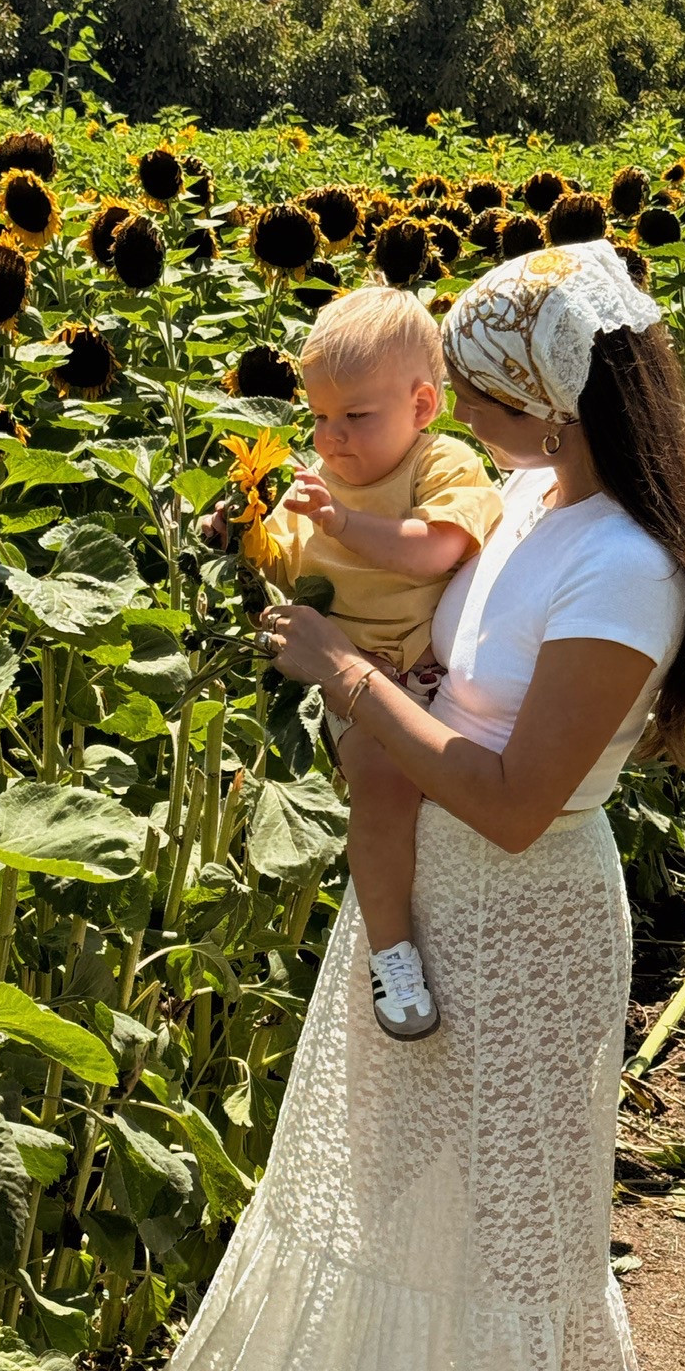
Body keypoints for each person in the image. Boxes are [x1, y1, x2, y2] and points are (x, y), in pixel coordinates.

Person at [127, 240, 685, 1371]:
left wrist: (345, 679)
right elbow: (436, 638)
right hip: (427, 904)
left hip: (527, 925)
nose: (457, 413)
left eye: (478, 390)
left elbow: (522, 800)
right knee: (404, 1209)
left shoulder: (626, 567)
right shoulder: (530, 499)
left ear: (552, 395)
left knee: (527, 1252)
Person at [214, 288, 500, 1039]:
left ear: (423, 404)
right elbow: (283, 561)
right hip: (360, 677)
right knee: (382, 791)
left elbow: (436, 549)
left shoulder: (444, 463)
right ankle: (392, 953)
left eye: (356, 416)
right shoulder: (318, 481)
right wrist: (240, 532)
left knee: (481, 806)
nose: (331, 437)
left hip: (446, 671)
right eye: (318, 417)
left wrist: (342, 520)